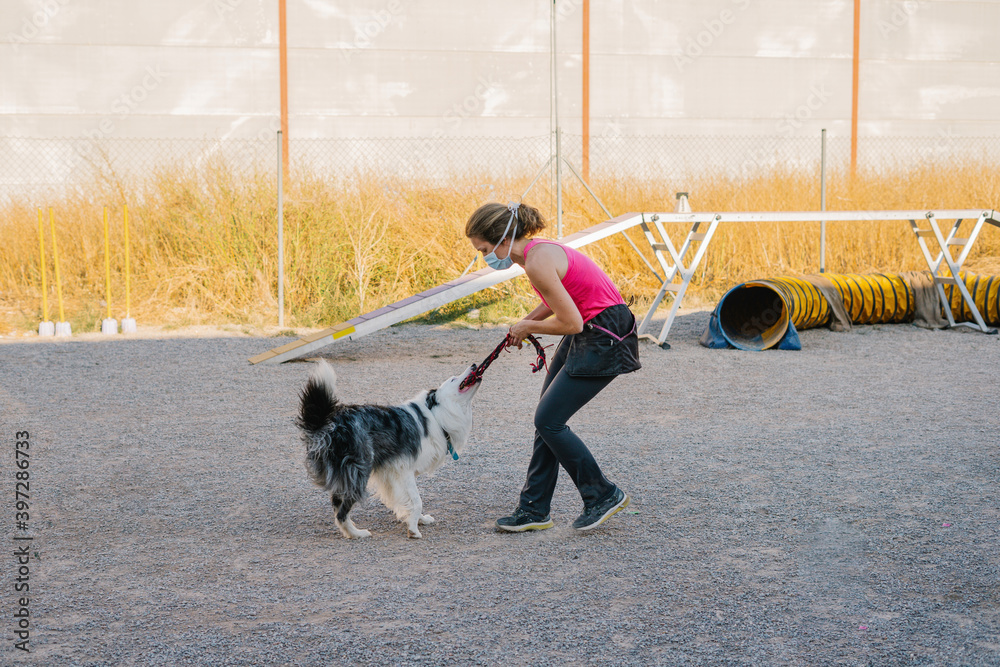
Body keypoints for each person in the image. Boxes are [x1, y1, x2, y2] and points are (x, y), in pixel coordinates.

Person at [466, 201, 641, 532]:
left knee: (549, 419)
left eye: (484, 249)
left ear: (502, 240)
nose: (484, 256)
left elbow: (571, 322)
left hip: (604, 333)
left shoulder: (536, 262)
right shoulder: (538, 253)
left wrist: (528, 328)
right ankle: (534, 510)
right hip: (596, 326)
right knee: (546, 419)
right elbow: (556, 300)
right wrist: (524, 322)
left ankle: (602, 494)